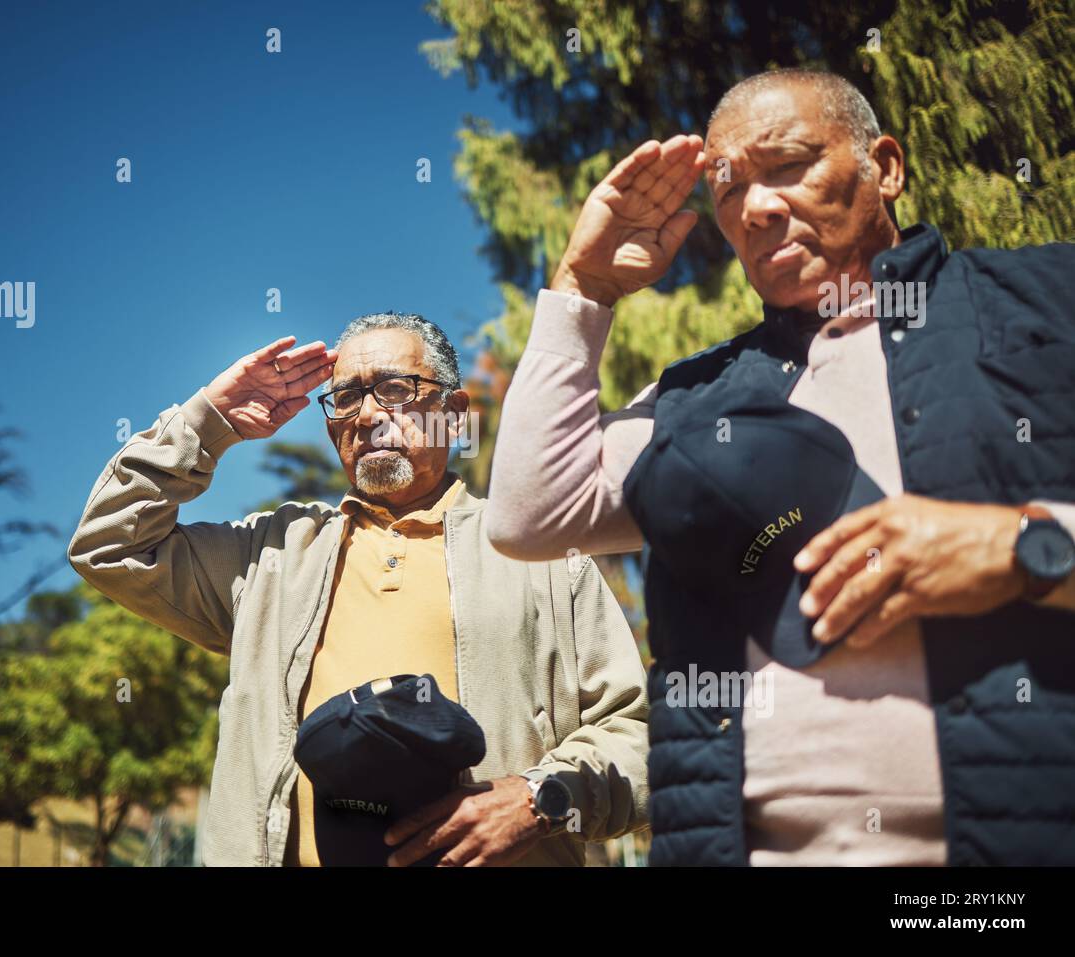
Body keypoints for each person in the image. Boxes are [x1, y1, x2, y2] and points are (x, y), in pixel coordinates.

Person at [486, 68, 1075, 865]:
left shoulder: (1047, 301)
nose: (757, 207)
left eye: (790, 165)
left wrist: (1030, 547)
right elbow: (531, 515)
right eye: (728, 191)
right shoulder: (698, 399)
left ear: (886, 168)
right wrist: (584, 287)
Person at [68, 311, 650, 866]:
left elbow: (637, 733)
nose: (367, 415)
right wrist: (207, 422)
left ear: (453, 414)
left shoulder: (540, 557)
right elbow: (109, 545)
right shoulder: (274, 554)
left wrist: (535, 798)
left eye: (395, 389)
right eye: (345, 397)